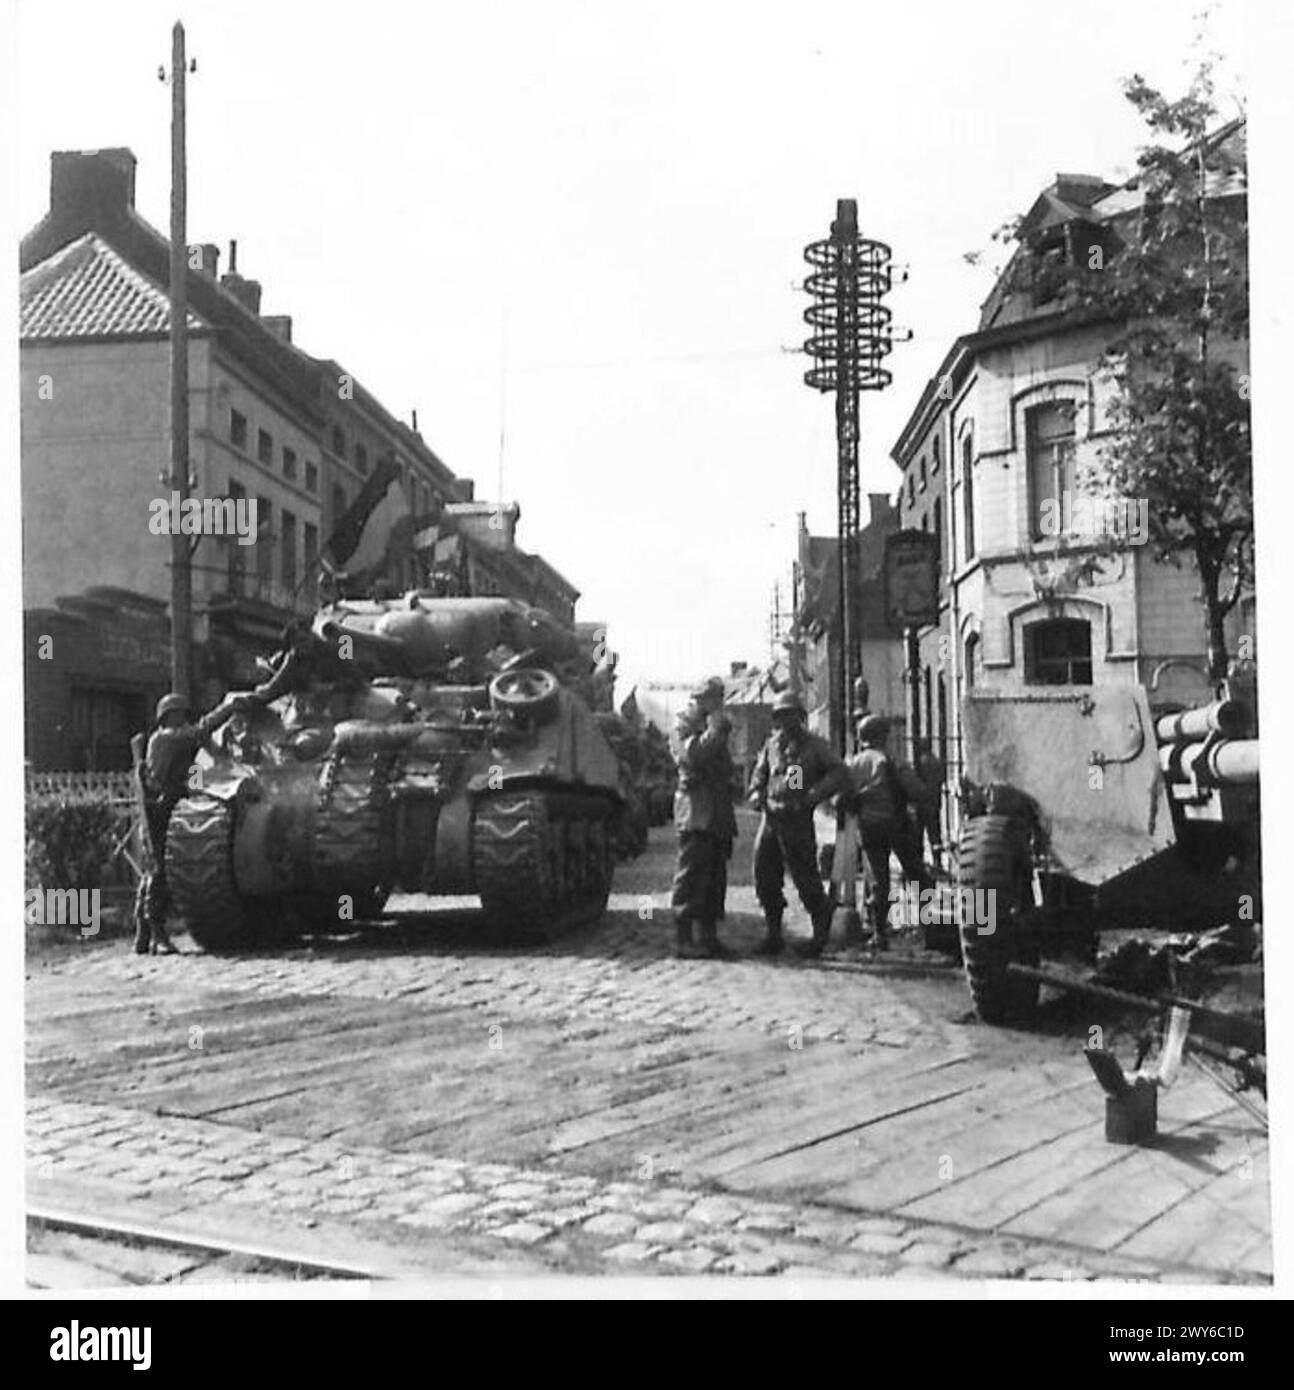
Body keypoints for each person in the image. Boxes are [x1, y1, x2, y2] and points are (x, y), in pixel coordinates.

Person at [132, 688, 255, 954]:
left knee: (156, 869)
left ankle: (145, 934)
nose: (182, 719)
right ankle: (156, 933)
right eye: (177, 715)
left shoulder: (184, 741)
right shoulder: (164, 739)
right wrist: (227, 708)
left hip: (175, 804)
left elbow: (202, 762)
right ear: (167, 718)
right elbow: (199, 732)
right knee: (159, 871)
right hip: (160, 807)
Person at [749, 691, 849, 958]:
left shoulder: (814, 746)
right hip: (770, 820)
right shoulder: (771, 746)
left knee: (806, 878)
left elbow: (839, 771)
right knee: (765, 876)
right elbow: (759, 776)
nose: (786, 722)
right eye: (781, 716)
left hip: (797, 822)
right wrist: (757, 794)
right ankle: (773, 933)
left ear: (800, 717)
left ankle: (819, 937)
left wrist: (813, 796)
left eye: (790, 715)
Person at [670, 677, 737, 959]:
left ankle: (709, 935)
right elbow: (694, 755)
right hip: (696, 810)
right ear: (699, 700)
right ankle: (683, 937)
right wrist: (714, 729)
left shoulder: (716, 727)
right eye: (712, 700)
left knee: (715, 877)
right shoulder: (683, 727)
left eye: (719, 699)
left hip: (718, 811)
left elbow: (725, 768)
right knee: (691, 875)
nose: (717, 705)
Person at [845, 714, 909, 949]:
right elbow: (901, 787)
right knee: (911, 872)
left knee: (878, 878)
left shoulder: (853, 762)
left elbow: (842, 790)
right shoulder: (884, 761)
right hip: (893, 823)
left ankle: (877, 929)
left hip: (868, 825)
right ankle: (923, 921)